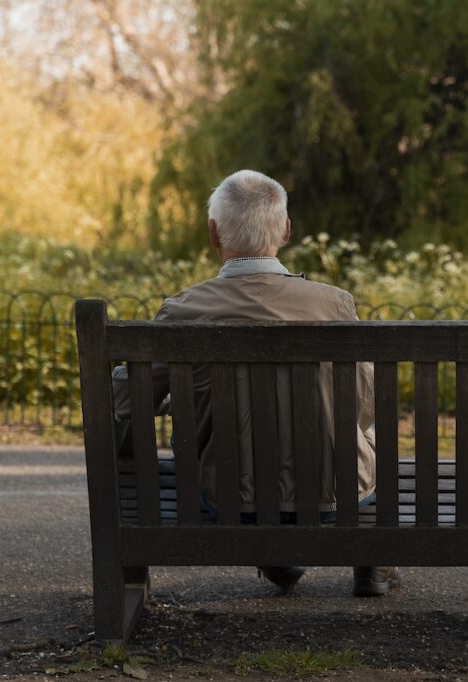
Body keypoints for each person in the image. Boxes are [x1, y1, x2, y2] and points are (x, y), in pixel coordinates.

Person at [111, 170, 398, 597]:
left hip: (225, 499)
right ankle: (372, 562)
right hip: (335, 498)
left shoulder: (184, 311)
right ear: (286, 230)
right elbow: (362, 407)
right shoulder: (334, 304)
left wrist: (172, 404)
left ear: (213, 233)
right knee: (362, 436)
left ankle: (277, 556)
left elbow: (125, 401)